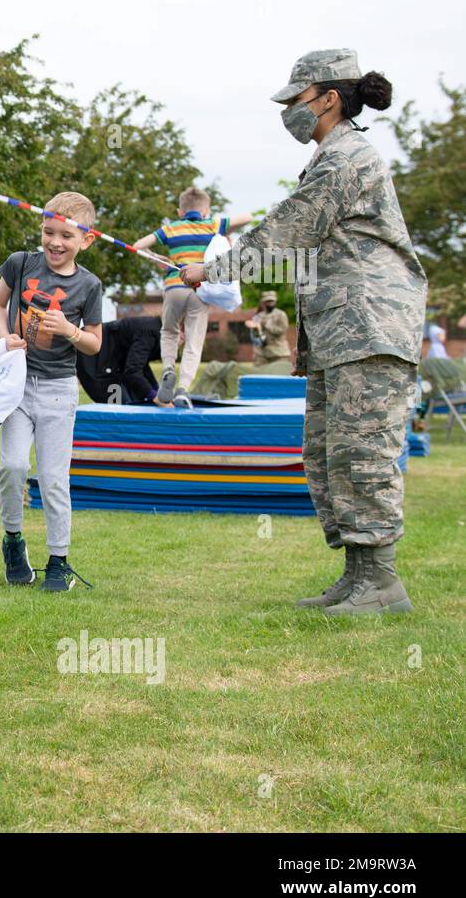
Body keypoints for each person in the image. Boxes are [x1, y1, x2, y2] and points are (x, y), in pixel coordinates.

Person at [181, 50, 426, 616]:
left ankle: (383, 585)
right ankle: (359, 576)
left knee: (363, 454)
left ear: (328, 99)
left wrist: (210, 270)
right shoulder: (329, 159)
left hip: (369, 329)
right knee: (328, 454)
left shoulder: (347, 158)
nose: (290, 110)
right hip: (341, 334)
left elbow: (285, 231)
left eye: (295, 100)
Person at [0, 192, 103, 591]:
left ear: (85, 240)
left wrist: (70, 331)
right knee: (13, 466)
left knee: (54, 478)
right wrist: (6, 338)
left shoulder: (89, 285)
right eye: (48, 232)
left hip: (58, 391)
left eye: (66, 236)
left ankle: (59, 561)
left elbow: (94, 343)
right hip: (18, 387)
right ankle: (13, 541)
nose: (55, 242)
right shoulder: (21, 263)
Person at [134, 188, 255, 407]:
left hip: (173, 287)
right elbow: (248, 218)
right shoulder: (213, 224)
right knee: (193, 340)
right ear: (206, 209)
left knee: (169, 332)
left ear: (180, 211)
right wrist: (217, 221)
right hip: (200, 289)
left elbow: (138, 246)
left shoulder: (170, 228)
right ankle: (183, 389)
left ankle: (168, 370)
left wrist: (156, 258)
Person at [76, 315, 163, 405]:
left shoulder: (157, 330)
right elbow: (133, 371)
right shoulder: (150, 331)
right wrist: (154, 396)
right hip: (95, 356)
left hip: (115, 360)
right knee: (120, 406)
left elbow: (140, 364)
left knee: (138, 401)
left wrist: (156, 391)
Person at [248, 290, 292, 366]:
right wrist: (255, 328)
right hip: (261, 354)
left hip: (278, 353)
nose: (270, 303)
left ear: (275, 301)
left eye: (272, 301)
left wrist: (266, 325)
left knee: (279, 375)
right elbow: (255, 336)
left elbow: (281, 331)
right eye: (268, 301)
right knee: (260, 375)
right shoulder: (258, 316)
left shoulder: (281, 315)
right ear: (263, 302)